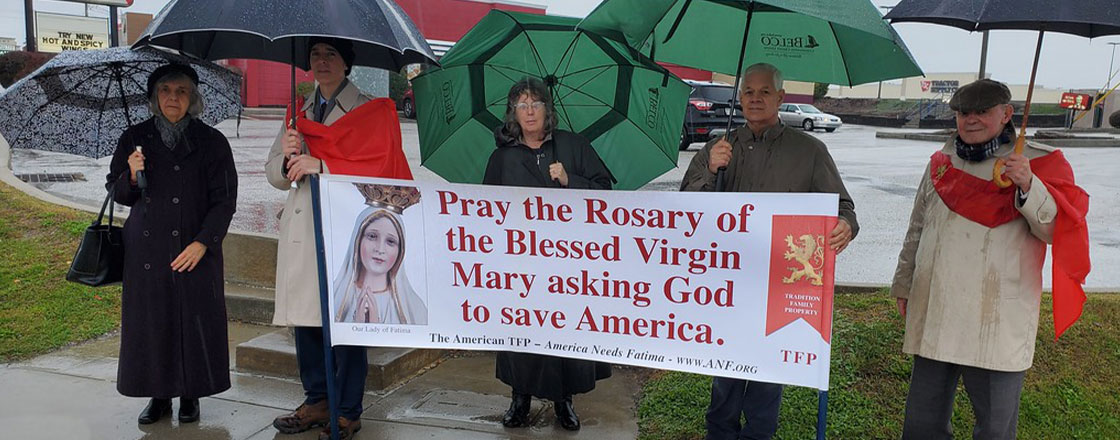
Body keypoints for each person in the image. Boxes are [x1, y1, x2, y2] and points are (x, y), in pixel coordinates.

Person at [892, 79, 1090, 440]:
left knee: (995, 428)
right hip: (936, 305)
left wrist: (1029, 186)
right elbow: (917, 228)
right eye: (963, 112)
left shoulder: (1038, 163)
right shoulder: (941, 161)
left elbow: (1057, 232)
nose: (970, 120)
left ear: (1006, 114)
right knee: (923, 424)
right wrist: (904, 283)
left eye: (982, 112)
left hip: (996, 317)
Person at [680, 62, 857, 440]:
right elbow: (685, 212)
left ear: (780, 97)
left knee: (767, 373)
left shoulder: (809, 151)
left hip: (780, 284)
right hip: (726, 285)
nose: (755, 99)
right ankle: (720, 433)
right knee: (726, 372)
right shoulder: (718, 147)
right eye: (748, 92)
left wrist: (846, 226)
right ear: (739, 97)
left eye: (764, 92)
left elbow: (843, 208)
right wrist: (711, 171)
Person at [266, 37, 411, 440]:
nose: (322, 61)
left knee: (349, 319)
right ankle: (317, 400)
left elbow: (382, 171)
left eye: (331, 54)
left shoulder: (372, 110)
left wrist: (324, 163)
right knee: (306, 320)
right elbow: (274, 174)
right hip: (305, 226)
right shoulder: (298, 113)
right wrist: (287, 157)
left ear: (347, 63)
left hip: (351, 229)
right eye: (315, 55)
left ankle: (347, 409)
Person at [107, 63, 238, 425]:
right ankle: (158, 394)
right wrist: (131, 174)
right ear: (154, 98)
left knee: (194, 320)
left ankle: (191, 393)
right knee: (153, 323)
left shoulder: (212, 142)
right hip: (147, 251)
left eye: (181, 91)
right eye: (165, 91)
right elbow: (119, 194)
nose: (173, 98)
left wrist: (203, 244)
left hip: (195, 249)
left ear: (193, 98)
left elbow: (225, 201)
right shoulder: (134, 138)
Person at [482, 77, 614, 431]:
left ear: (547, 109)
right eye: (521, 105)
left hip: (567, 263)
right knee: (520, 335)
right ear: (513, 113)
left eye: (535, 103)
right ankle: (519, 398)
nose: (528, 111)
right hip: (520, 266)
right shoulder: (502, 157)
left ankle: (563, 401)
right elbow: (484, 212)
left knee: (563, 334)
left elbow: (607, 192)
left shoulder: (573, 145)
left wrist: (572, 182)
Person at [333, 184, 427, 325]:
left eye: (390, 241)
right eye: (372, 236)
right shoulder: (334, 297)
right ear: (357, 240)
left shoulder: (415, 309)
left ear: (400, 250)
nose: (380, 249)